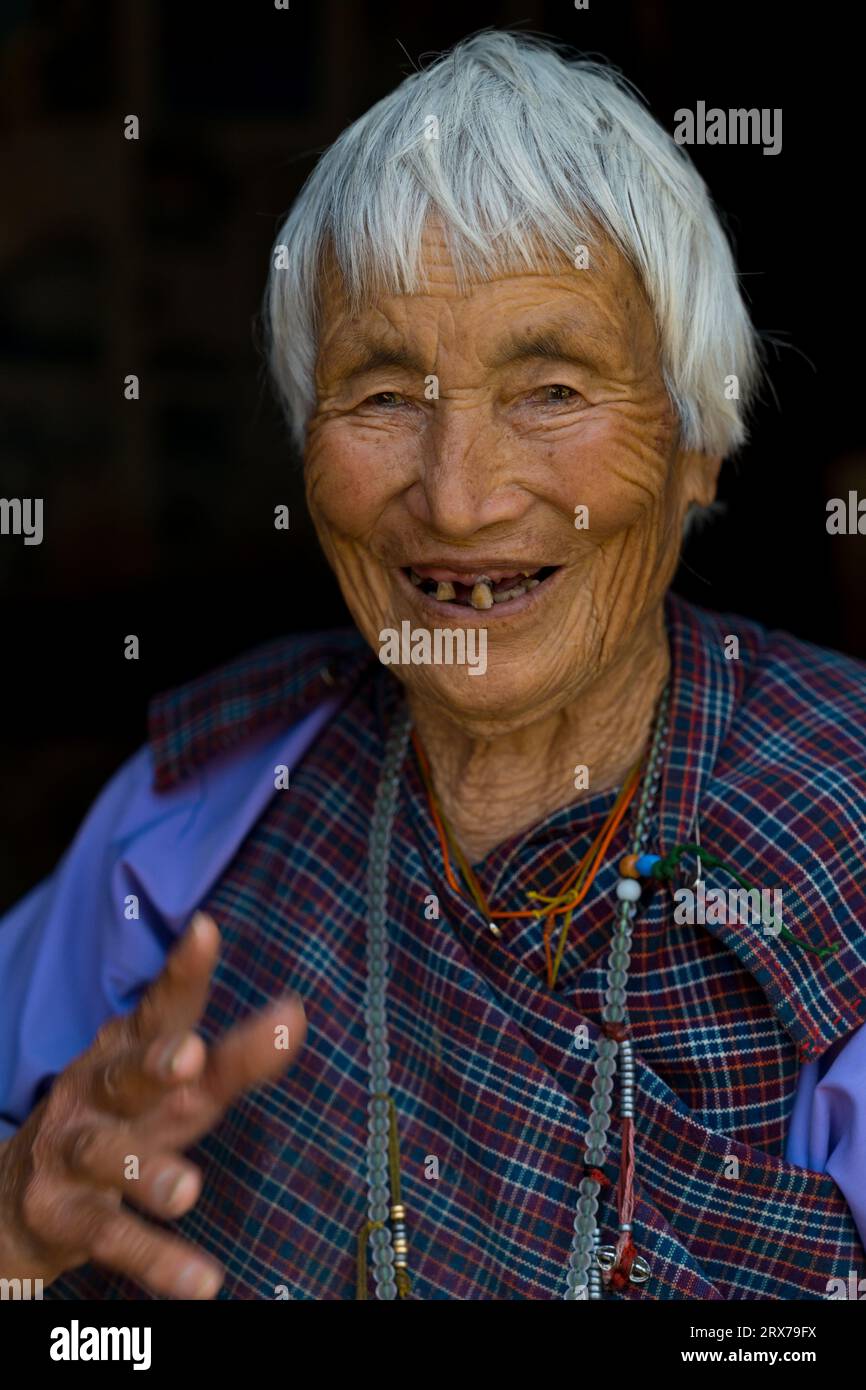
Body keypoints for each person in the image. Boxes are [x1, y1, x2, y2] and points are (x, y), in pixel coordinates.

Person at [1, 31, 864, 1301]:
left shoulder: (841, 841)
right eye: (382, 396)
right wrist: (17, 1240)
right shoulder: (195, 815)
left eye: (551, 390)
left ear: (697, 445)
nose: (456, 502)